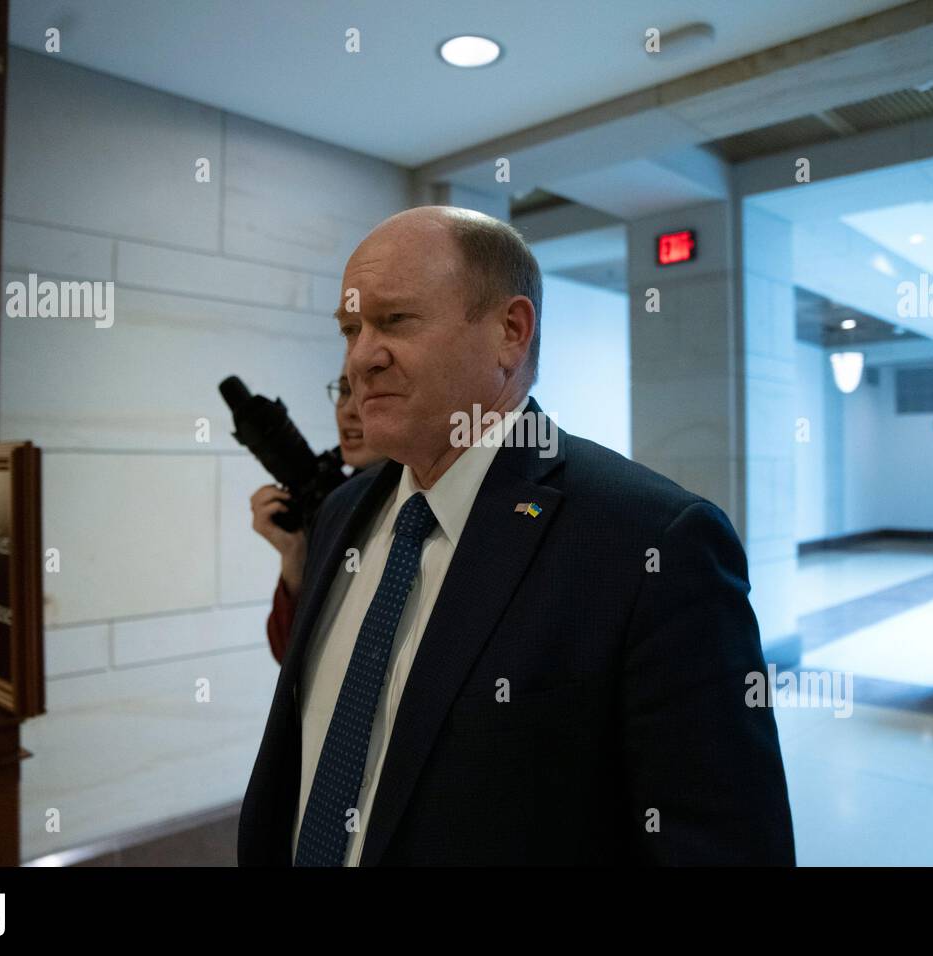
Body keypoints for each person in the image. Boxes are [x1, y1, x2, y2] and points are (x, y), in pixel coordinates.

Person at [239, 205, 795, 866]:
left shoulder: (652, 543)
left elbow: (721, 845)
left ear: (510, 331)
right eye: (350, 328)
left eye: (394, 321)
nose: (361, 358)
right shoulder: (342, 513)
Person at [250, 367, 384, 663]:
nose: (348, 411)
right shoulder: (343, 497)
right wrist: (294, 557)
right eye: (344, 391)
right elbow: (291, 657)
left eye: (368, 393)